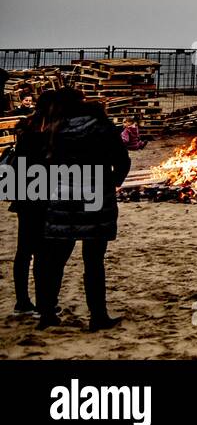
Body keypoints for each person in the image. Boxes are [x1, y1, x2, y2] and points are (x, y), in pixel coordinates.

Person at [36, 88, 131, 331]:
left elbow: (45, 165)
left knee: (55, 261)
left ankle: (47, 314)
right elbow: (122, 159)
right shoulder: (102, 126)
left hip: (63, 199)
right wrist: (113, 181)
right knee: (93, 261)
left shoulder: (54, 129)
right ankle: (98, 315)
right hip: (96, 198)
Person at [9, 91, 55, 315]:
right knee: (41, 252)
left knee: (24, 250)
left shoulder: (26, 127)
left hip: (24, 194)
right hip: (41, 195)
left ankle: (22, 301)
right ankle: (43, 303)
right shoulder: (47, 133)